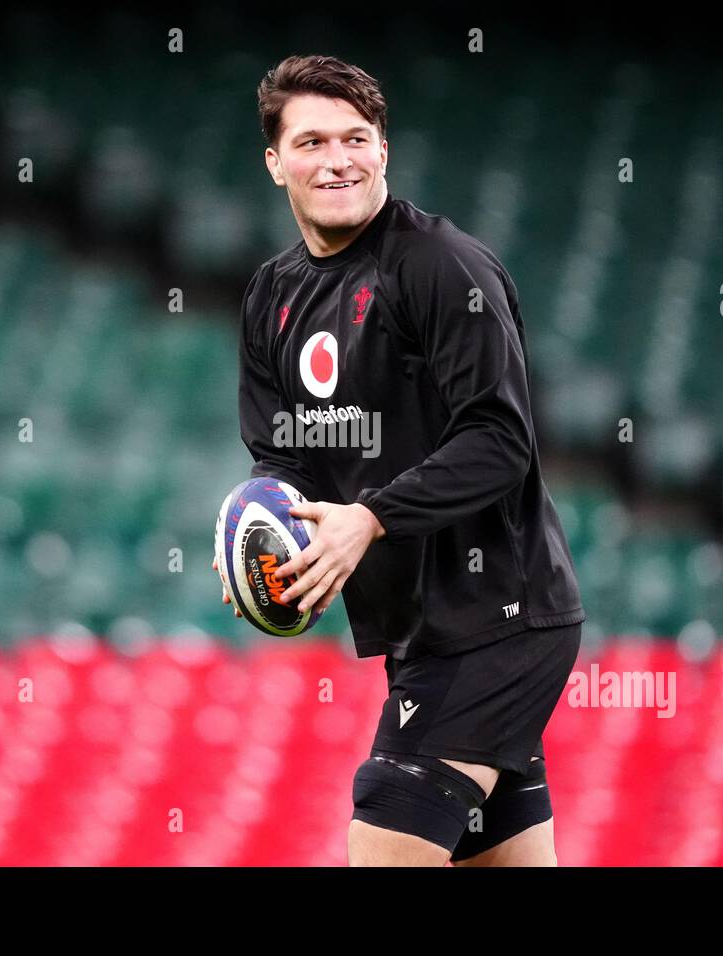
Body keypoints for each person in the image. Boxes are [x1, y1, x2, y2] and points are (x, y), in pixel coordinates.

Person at [215, 54, 585, 866]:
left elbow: (501, 438)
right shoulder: (272, 293)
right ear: (275, 161)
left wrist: (370, 519)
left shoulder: (442, 267)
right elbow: (284, 455)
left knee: (384, 839)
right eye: (311, 141)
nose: (338, 158)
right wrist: (262, 535)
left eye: (357, 137)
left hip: (501, 614)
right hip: (425, 627)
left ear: (384, 150)